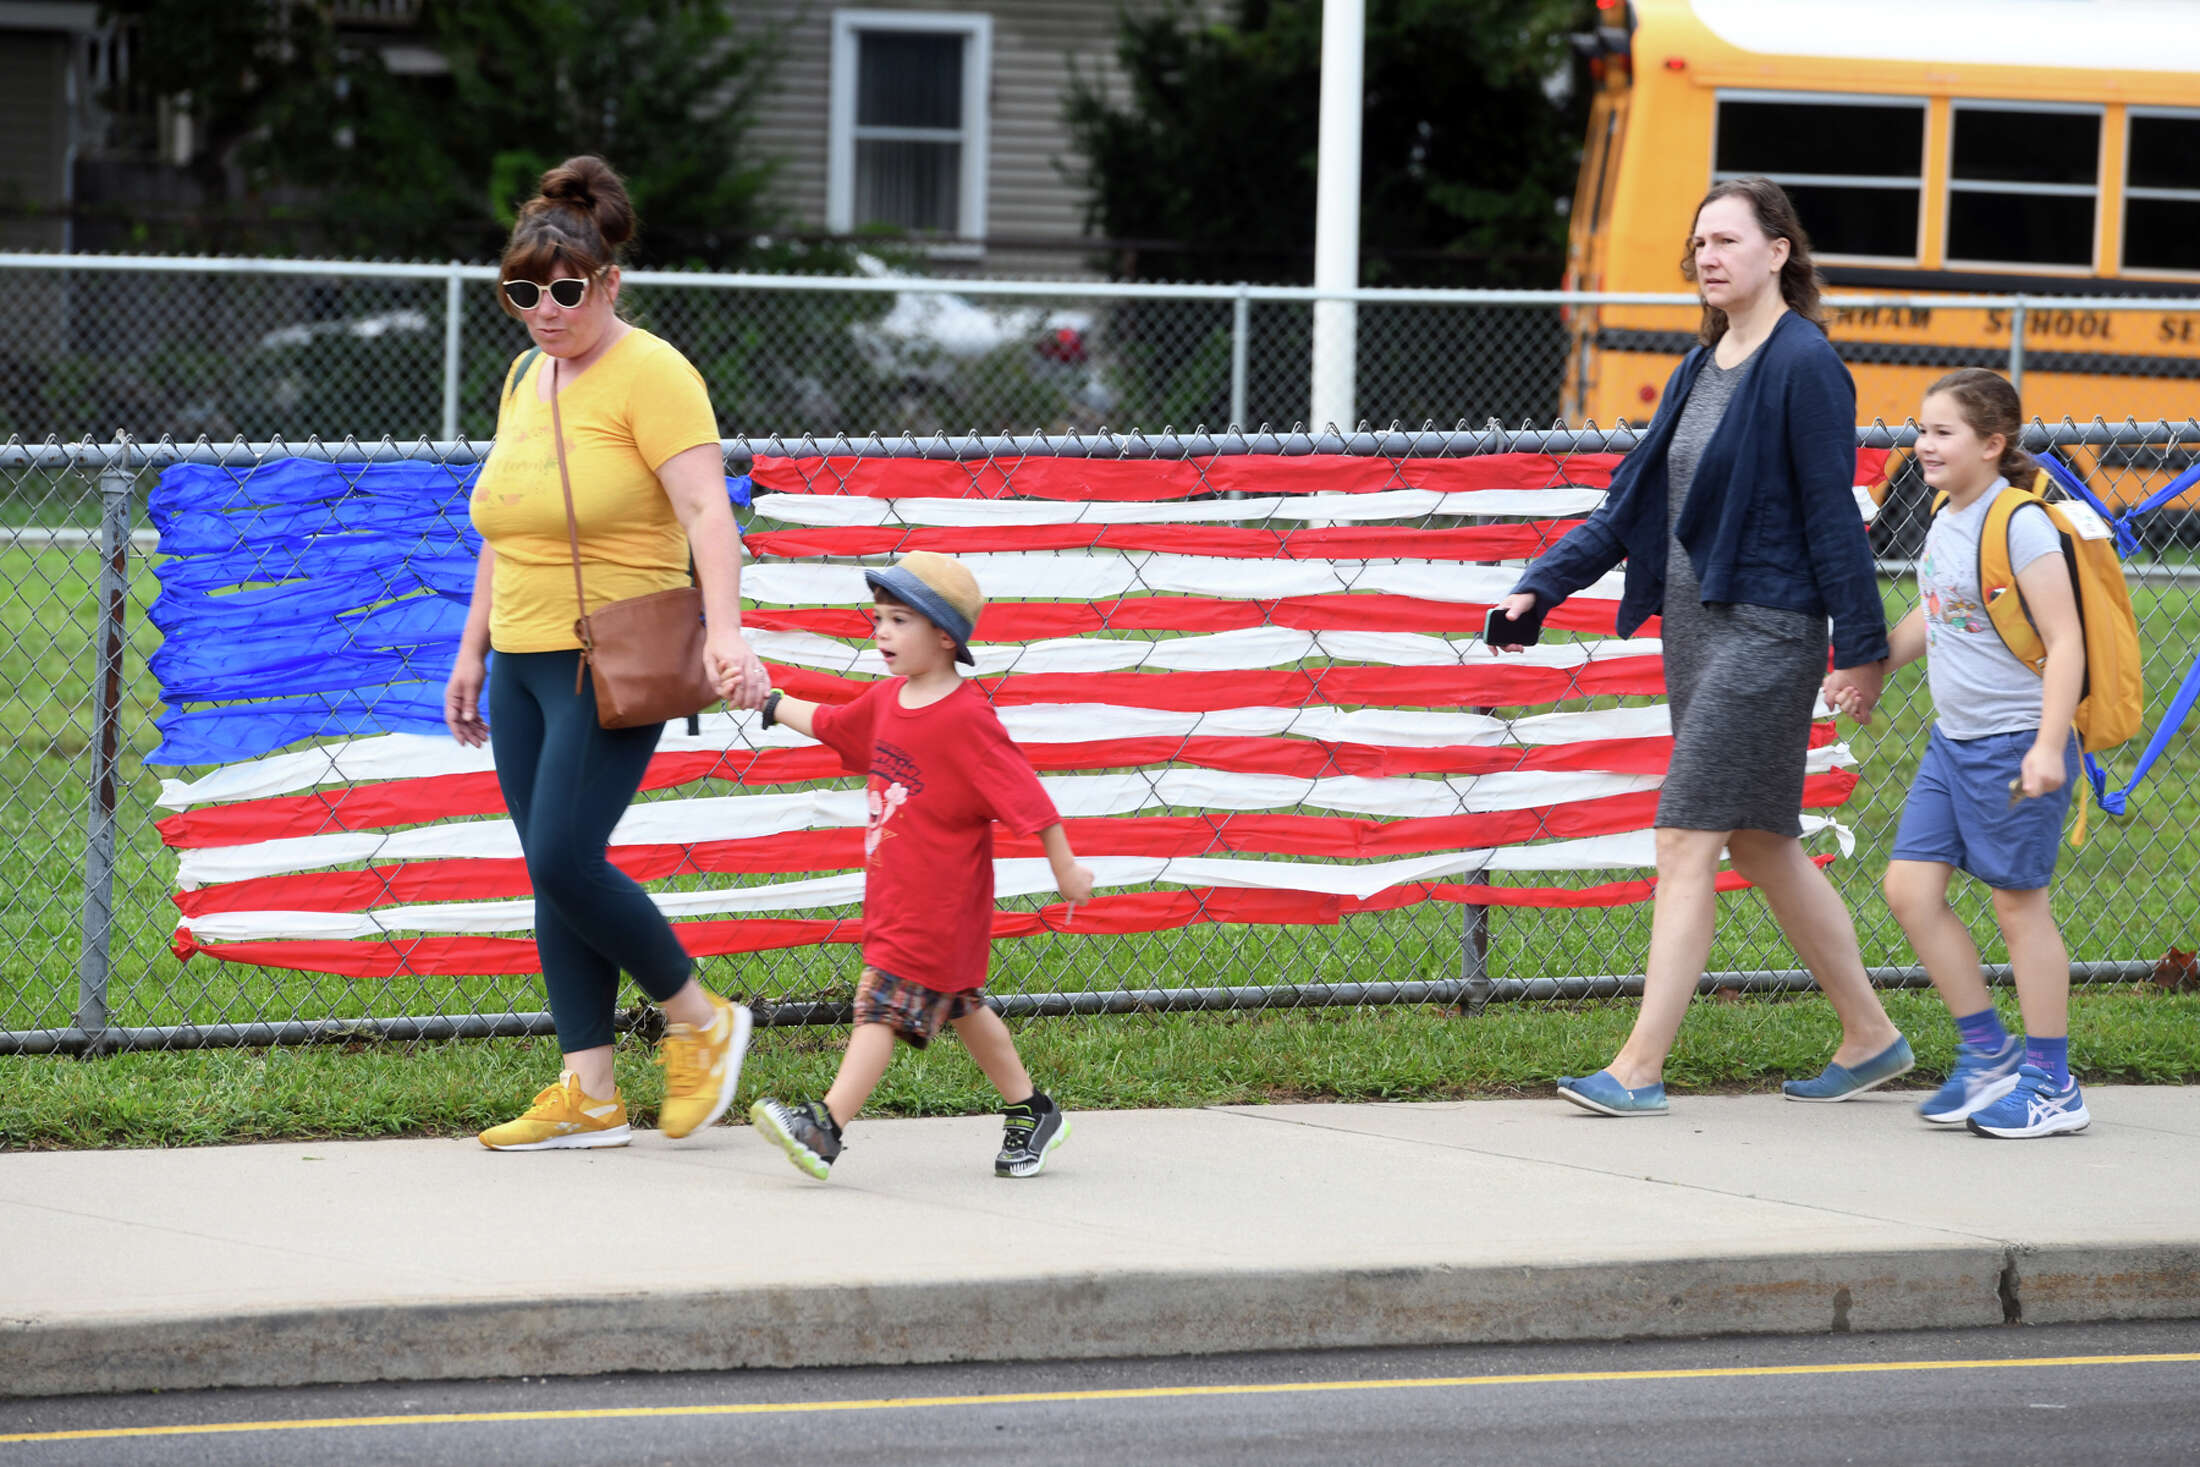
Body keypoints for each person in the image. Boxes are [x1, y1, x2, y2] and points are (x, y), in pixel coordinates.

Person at [1492, 177, 1907, 1117]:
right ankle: (1873, 1034)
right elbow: (1632, 501)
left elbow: (1829, 515)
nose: (1709, 257)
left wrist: (1862, 644)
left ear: (1779, 252)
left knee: (1685, 834)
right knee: (1762, 841)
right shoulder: (1701, 364)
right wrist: (1540, 586)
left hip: (1770, 630)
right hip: (1696, 630)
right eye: (1699, 245)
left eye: (1726, 240)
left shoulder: (1805, 365)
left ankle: (1637, 1068)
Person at [446, 155, 771, 1151]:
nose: (546, 310)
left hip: (611, 656)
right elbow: (506, 526)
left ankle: (698, 1017)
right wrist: (471, 654)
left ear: (609, 283)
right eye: (523, 292)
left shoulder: (655, 373)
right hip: (520, 660)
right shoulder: (520, 375)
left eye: (566, 291)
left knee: (563, 856)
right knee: (552, 874)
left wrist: (726, 630)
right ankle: (588, 1088)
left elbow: (708, 511)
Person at [744, 552, 1096, 1179]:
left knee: (879, 1003)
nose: (881, 631)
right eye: (878, 617)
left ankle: (824, 1128)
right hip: (898, 896)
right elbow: (830, 725)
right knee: (962, 1006)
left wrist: (1064, 868)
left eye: (899, 619)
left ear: (943, 635)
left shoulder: (967, 719)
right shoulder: (886, 701)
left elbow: (1026, 796)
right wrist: (771, 702)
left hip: (940, 905)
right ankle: (1032, 1110)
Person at [1838, 369, 2089, 1138]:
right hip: (1954, 744)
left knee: (2019, 908)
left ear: (1992, 442)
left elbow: (2066, 639)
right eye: (1921, 429)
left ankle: (2053, 1083)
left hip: (2017, 743)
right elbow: (1938, 615)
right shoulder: (1948, 514)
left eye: (1943, 432)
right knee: (1910, 889)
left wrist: (2049, 745)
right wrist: (1875, 666)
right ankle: (1988, 1053)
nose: (1923, 444)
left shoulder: (2020, 523)